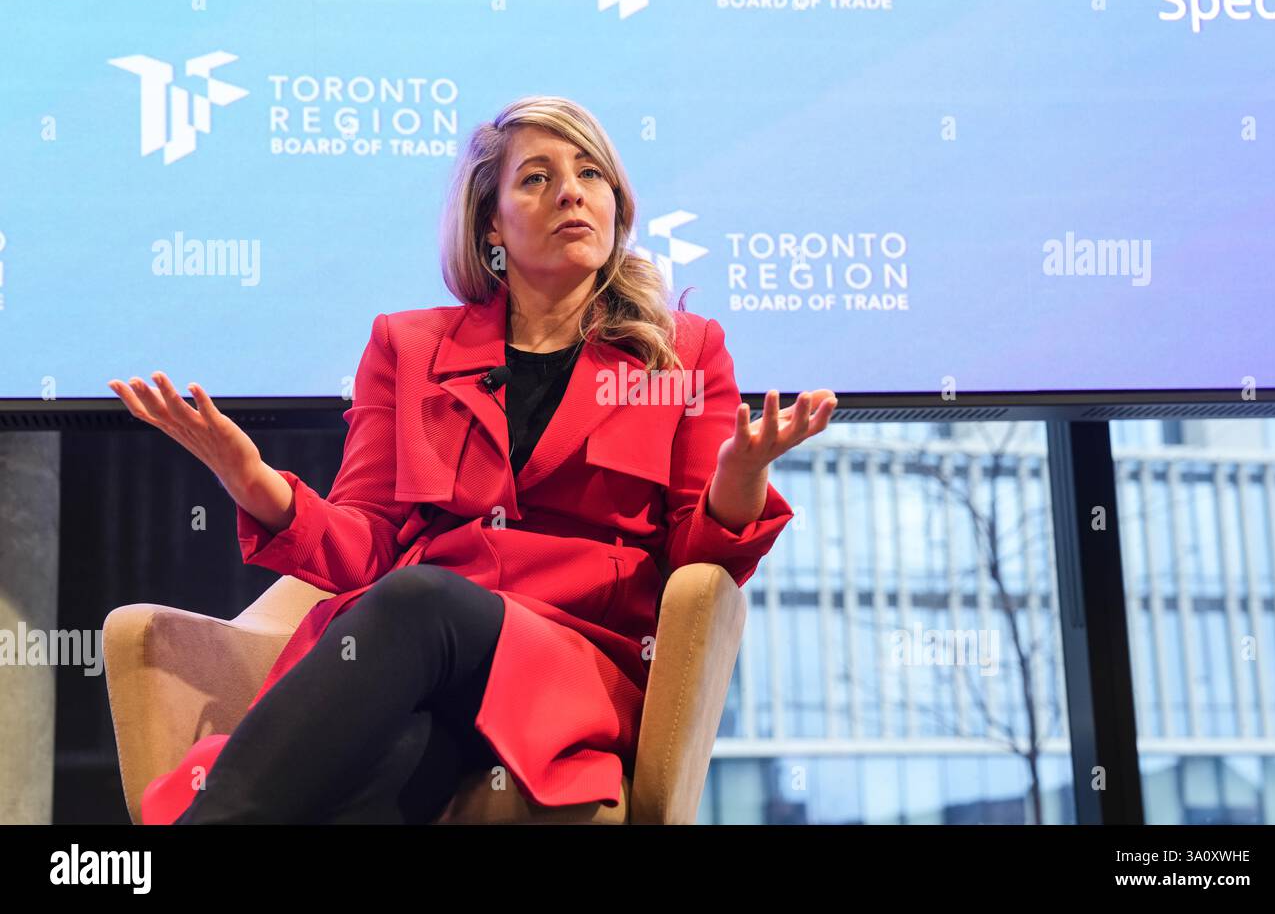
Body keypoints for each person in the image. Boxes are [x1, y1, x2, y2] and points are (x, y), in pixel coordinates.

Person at [108, 95, 837, 824]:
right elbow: (365, 548)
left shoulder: (682, 352)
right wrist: (255, 484)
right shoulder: (410, 347)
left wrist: (740, 479)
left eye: (591, 174)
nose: (571, 193)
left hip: (577, 659)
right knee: (385, 761)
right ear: (492, 224)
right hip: (416, 665)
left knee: (419, 597)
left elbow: (696, 561)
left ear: (618, 203)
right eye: (536, 178)